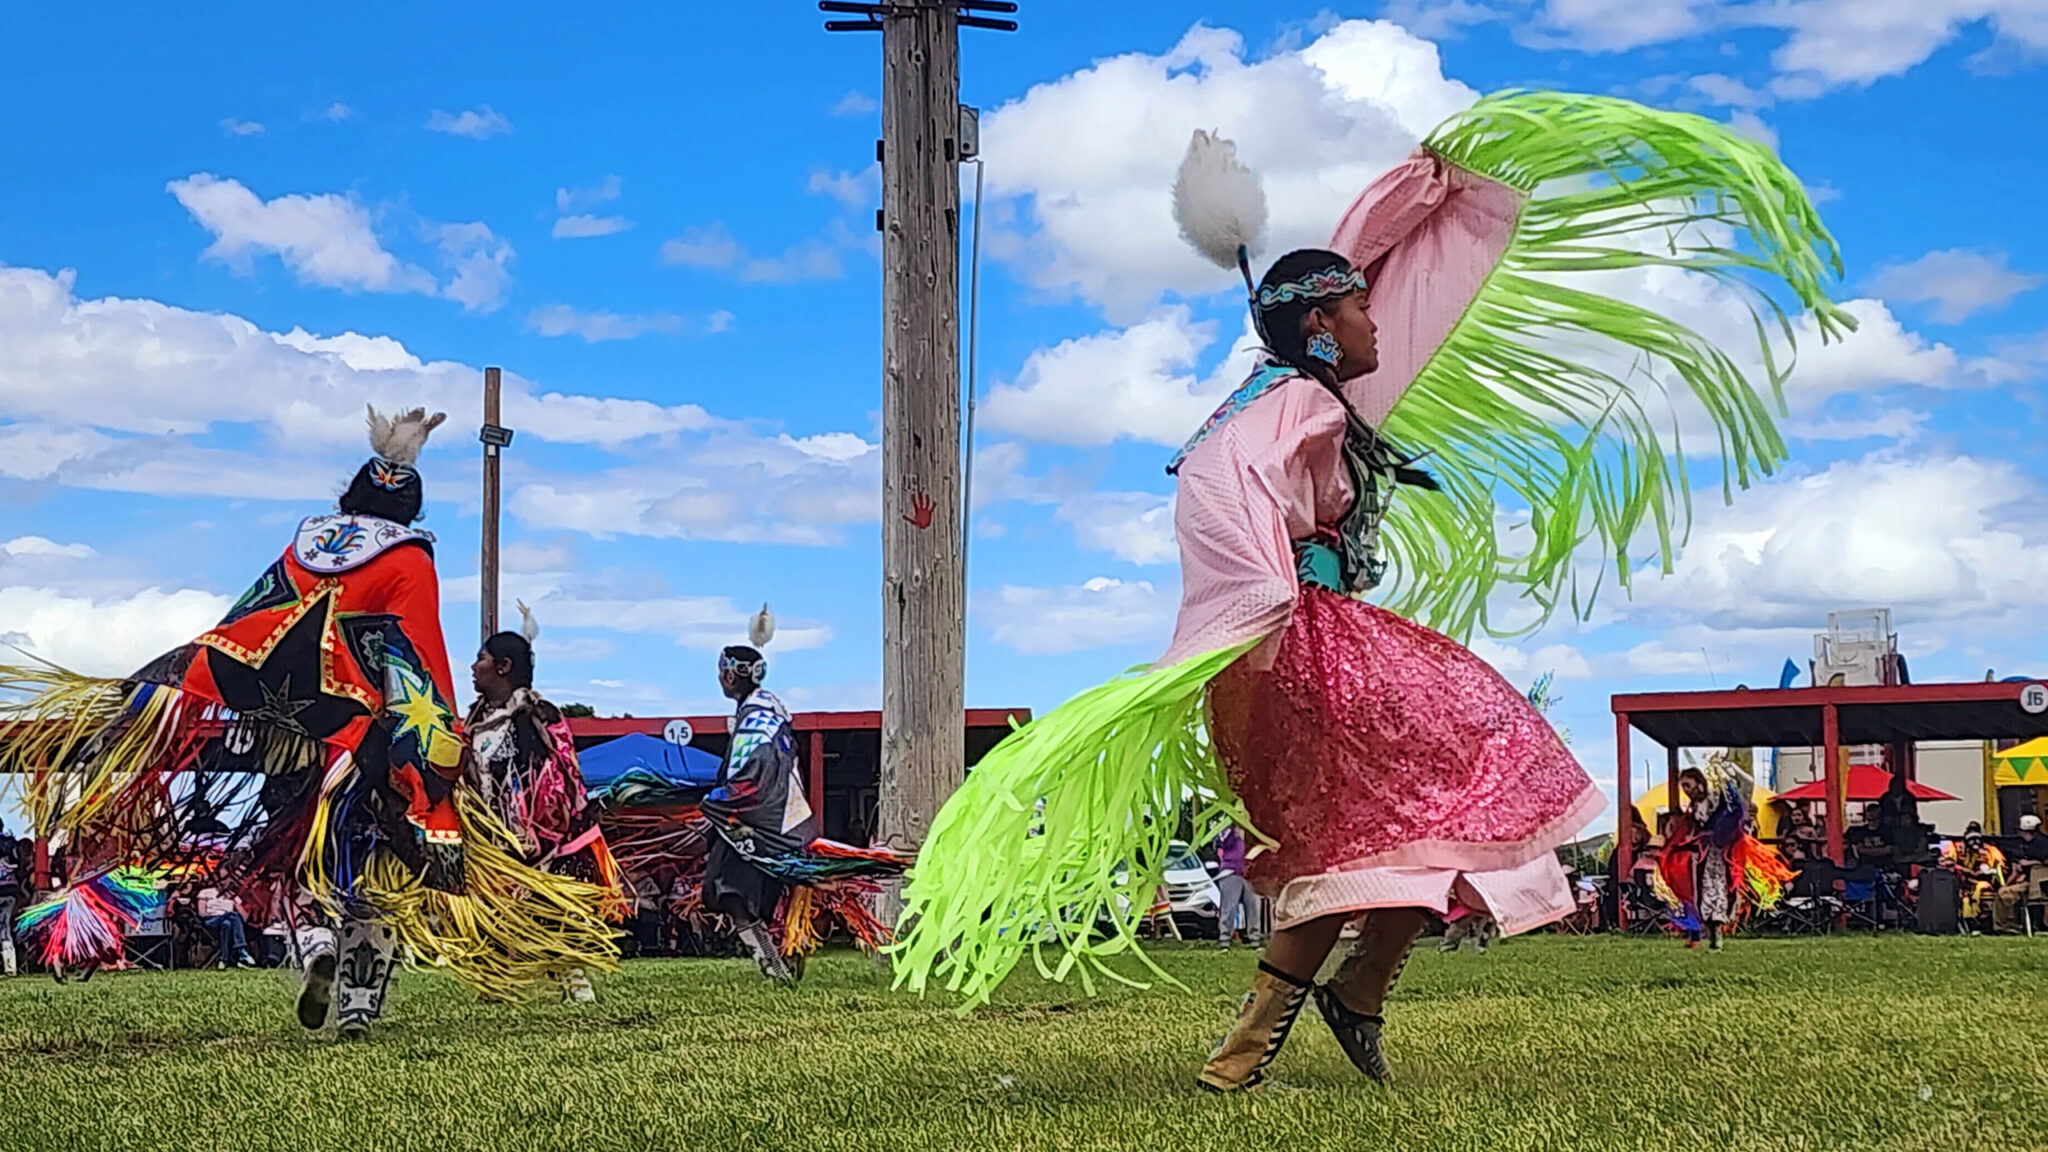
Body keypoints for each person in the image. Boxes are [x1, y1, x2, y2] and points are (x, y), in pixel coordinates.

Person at [891, 89, 1848, 1093]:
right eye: (1354, 307)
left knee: (1413, 822)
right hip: (1300, 642)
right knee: (1453, 768)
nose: (1372, 320)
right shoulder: (1289, 403)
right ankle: (1267, 1039)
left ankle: (1327, 1009)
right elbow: (1223, 486)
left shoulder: (1300, 396)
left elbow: (1252, 454)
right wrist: (1265, 602)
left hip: (1312, 637)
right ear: (1315, 324)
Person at [0, 406, 618, 1036]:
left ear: (349, 499)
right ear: (412, 511)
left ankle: (316, 944)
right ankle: (356, 1003)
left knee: (296, 856)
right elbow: (417, 659)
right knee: (372, 865)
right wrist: (434, 759)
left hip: (285, 736)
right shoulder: (408, 561)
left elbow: (245, 623)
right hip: (353, 740)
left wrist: (193, 684)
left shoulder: (303, 549)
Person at [465, 602, 625, 1003]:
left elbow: (565, 777)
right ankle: (499, 984)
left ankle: (574, 981)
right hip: (493, 844)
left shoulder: (541, 716)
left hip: (545, 839)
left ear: (503, 666)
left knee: (551, 912)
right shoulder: (473, 722)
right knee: (494, 915)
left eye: (480, 659)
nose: (473, 667)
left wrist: (534, 832)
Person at [1658, 762, 1791, 950]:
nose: (1686, 791)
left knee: (1717, 893)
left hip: (1721, 857)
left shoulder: (1718, 797)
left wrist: (1729, 770)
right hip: (1701, 858)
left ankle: (1716, 938)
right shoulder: (1695, 807)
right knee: (1701, 896)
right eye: (1684, 787)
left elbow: (1739, 803)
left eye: (1688, 785)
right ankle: (1703, 936)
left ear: (1699, 782)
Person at [1941, 825, 2007, 929]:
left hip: (1984, 882)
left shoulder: (1991, 850)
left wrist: (1992, 873)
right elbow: (1946, 863)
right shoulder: (1955, 847)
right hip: (1961, 882)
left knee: (1982, 888)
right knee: (1963, 896)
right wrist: (1967, 871)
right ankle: (1966, 919)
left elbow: (2001, 867)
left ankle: (1982, 921)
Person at [1994, 815, 2048, 934]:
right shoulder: (2028, 845)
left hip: (2036, 886)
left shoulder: (2041, 845)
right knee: (2005, 890)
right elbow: (2018, 870)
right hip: (2029, 882)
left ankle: (2007, 926)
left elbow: (2043, 861)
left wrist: (2029, 863)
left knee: (2004, 894)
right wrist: (2007, 883)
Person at [1211, 825, 1260, 950]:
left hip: (1249, 872)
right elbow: (1220, 843)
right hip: (1230, 872)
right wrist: (1234, 829)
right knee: (1229, 907)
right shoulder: (1227, 829)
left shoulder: (1253, 830)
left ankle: (1254, 939)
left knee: (1253, 906)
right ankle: (1225, 940)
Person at [195, 885, 256, 968]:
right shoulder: (206, 892)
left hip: (228, 921)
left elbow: (244, 918)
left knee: (227, 924)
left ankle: (224, 960)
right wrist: (222, 915)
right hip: (211, 920)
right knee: (232, 915)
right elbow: (202, 913)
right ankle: (241, 950)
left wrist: (235, 903)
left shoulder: (232, 895)